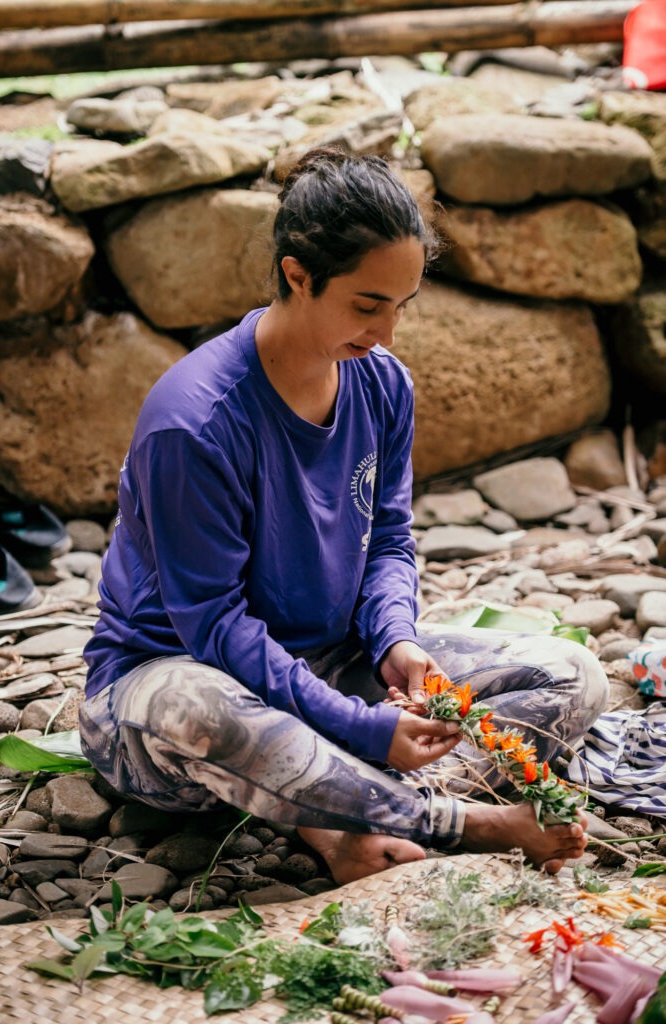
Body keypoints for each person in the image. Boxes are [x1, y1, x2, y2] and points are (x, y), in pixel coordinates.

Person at [80, 148, 608, 884]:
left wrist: (394, 638)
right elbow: (215, 627)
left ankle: (337, 814)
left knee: (574, 673)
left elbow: (389, 537)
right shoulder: (194, 424)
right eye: (367, 305)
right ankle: (459, 819)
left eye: (402, 306)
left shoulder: (382, 384)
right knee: (196, 708)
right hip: (179, 685)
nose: (387, 334)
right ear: (298, 275)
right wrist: (361, 726)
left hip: (332, 663)